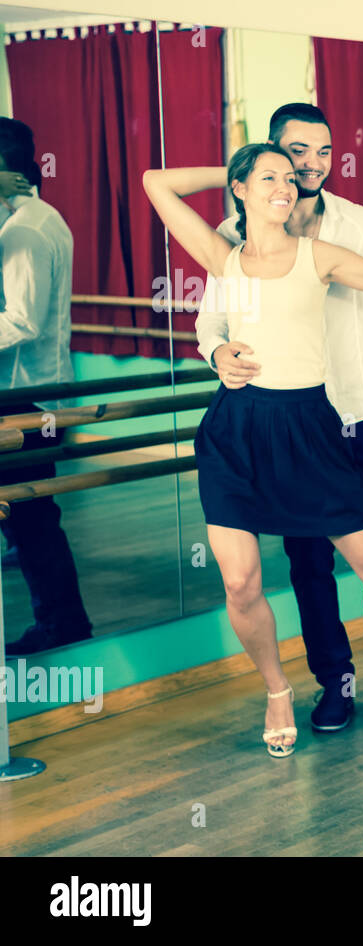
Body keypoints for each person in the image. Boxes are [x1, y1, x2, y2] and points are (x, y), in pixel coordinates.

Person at [142, 143, 363, 757]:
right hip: (237, 434)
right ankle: (277, 689)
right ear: (240, 187)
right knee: (239, 583)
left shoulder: (321, 256)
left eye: (291, 179)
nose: (286, 187)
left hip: (312, 429)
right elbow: (157, 181)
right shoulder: (222, 257)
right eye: (270, 178)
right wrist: (235, 166)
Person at [0, 117, 94, 657]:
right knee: (33, 520)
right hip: (33, 391)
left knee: (35, 521)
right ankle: (63, 620)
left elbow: (23, 320)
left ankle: (62, 623)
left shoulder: (26, 230)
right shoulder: (37, 219)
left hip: (23, 398)